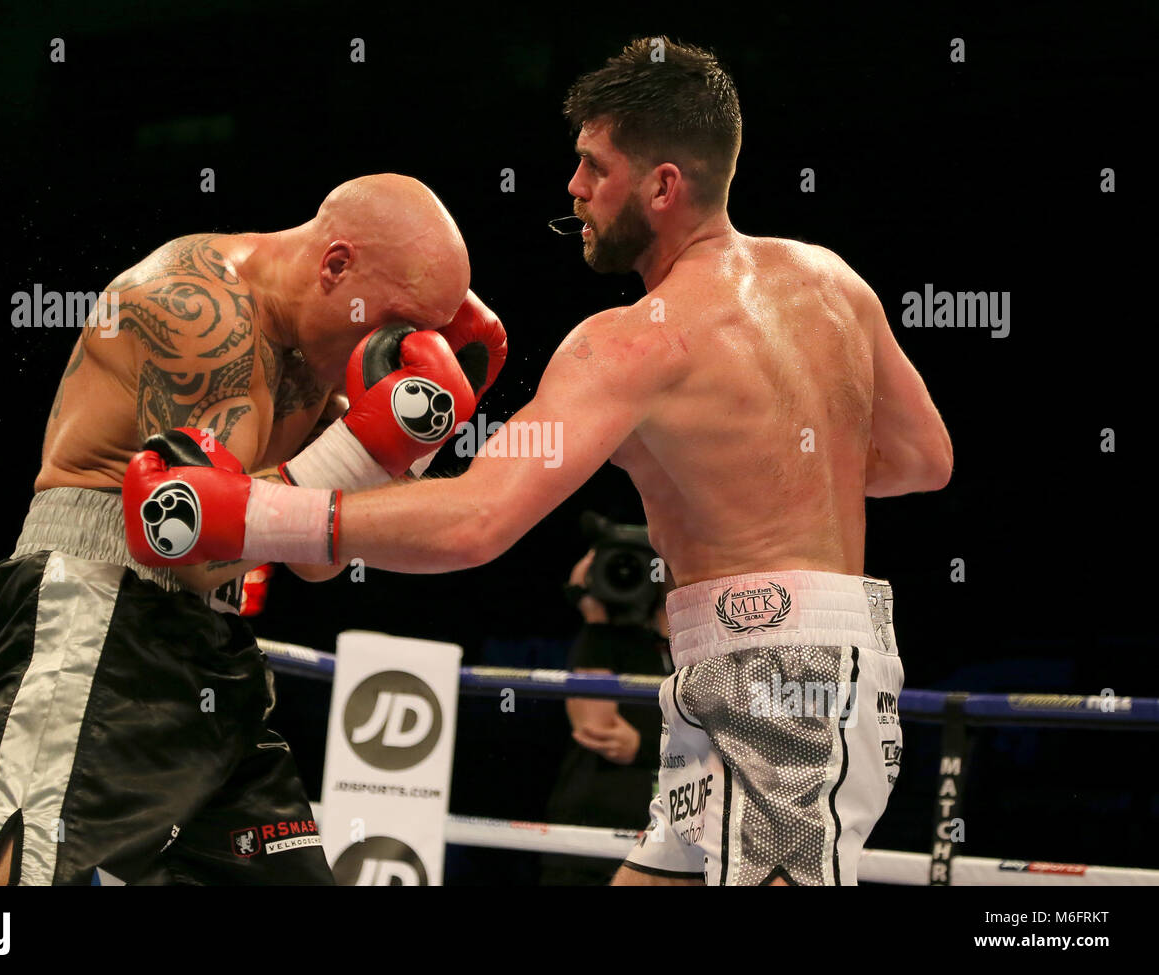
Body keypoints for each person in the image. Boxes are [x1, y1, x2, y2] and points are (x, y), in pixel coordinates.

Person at [125, 38, 951, 886]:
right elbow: (923, 458)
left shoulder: (630, 345)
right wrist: (767, 464)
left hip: (778, 682)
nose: (575, 189)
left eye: (595, 167)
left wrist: (246, 511)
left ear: (663, 185)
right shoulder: (834, 284)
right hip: (773, 665)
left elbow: (477, 519)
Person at [0, 174, 506, 885]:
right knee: (21, 869)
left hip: (208, 640)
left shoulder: (324, 346)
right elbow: (192, 547)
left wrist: (409, 443)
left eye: (419, 336)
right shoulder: (200, 315)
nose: (401, 348)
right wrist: (365, 442)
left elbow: (318, 557)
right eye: (396, 324)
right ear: (336, 266)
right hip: (99, 606)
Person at [541, 548, 670, 885]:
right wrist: (593, 612)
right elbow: (596, 729)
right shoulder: (605, 639)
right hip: (595, 824)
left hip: (681, 832)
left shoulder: (710, 646)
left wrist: (643, 746)